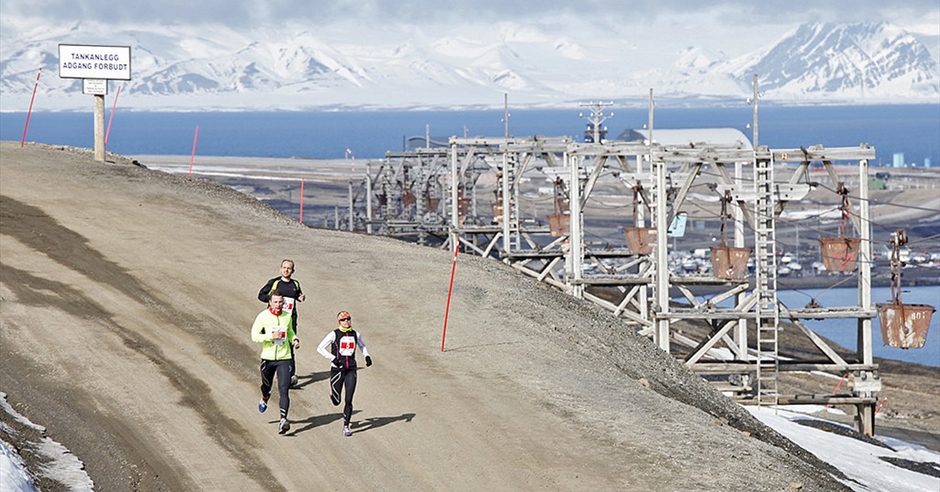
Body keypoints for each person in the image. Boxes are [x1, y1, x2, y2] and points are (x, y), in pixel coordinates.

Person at [252, 289, 301, 434]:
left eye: (281, 302)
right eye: (275, 302)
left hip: (284, 358)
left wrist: (295, 340)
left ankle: (283, 420)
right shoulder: (263, 316)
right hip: (268, 358)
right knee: (266, 385)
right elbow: (254, 335)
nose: (278, 305)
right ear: (270, 302)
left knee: (284, 389)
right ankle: (265, 396)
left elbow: (290, 331)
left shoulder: (287, 316)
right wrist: (270, 336)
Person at [317, 311, 372, 437]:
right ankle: (333, 393)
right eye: (343, 320)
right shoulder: (334, 334)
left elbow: (362, 346)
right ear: (339, 322)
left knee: (349, 399)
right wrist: (332, 358)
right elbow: (320, 348)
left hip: (351, 369)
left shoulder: (355, 334)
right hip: (337, 369)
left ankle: (346, 425)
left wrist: (367, 356)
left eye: (348, 319)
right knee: (337, 401)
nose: (346, 322)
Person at [258, 259, 305, 387]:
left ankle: (291, 376)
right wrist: (273, 300)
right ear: (280, 269)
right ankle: (271, 370)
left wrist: (300, 298)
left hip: (289, 320)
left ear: (293, 271)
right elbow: (261, 295)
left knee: (290, 345)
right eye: (284, 267)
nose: (286, 270)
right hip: (274, 320)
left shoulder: (295, 284)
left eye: (289, 268)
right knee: (275, 343)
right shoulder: (275, 283)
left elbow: (298, 295)